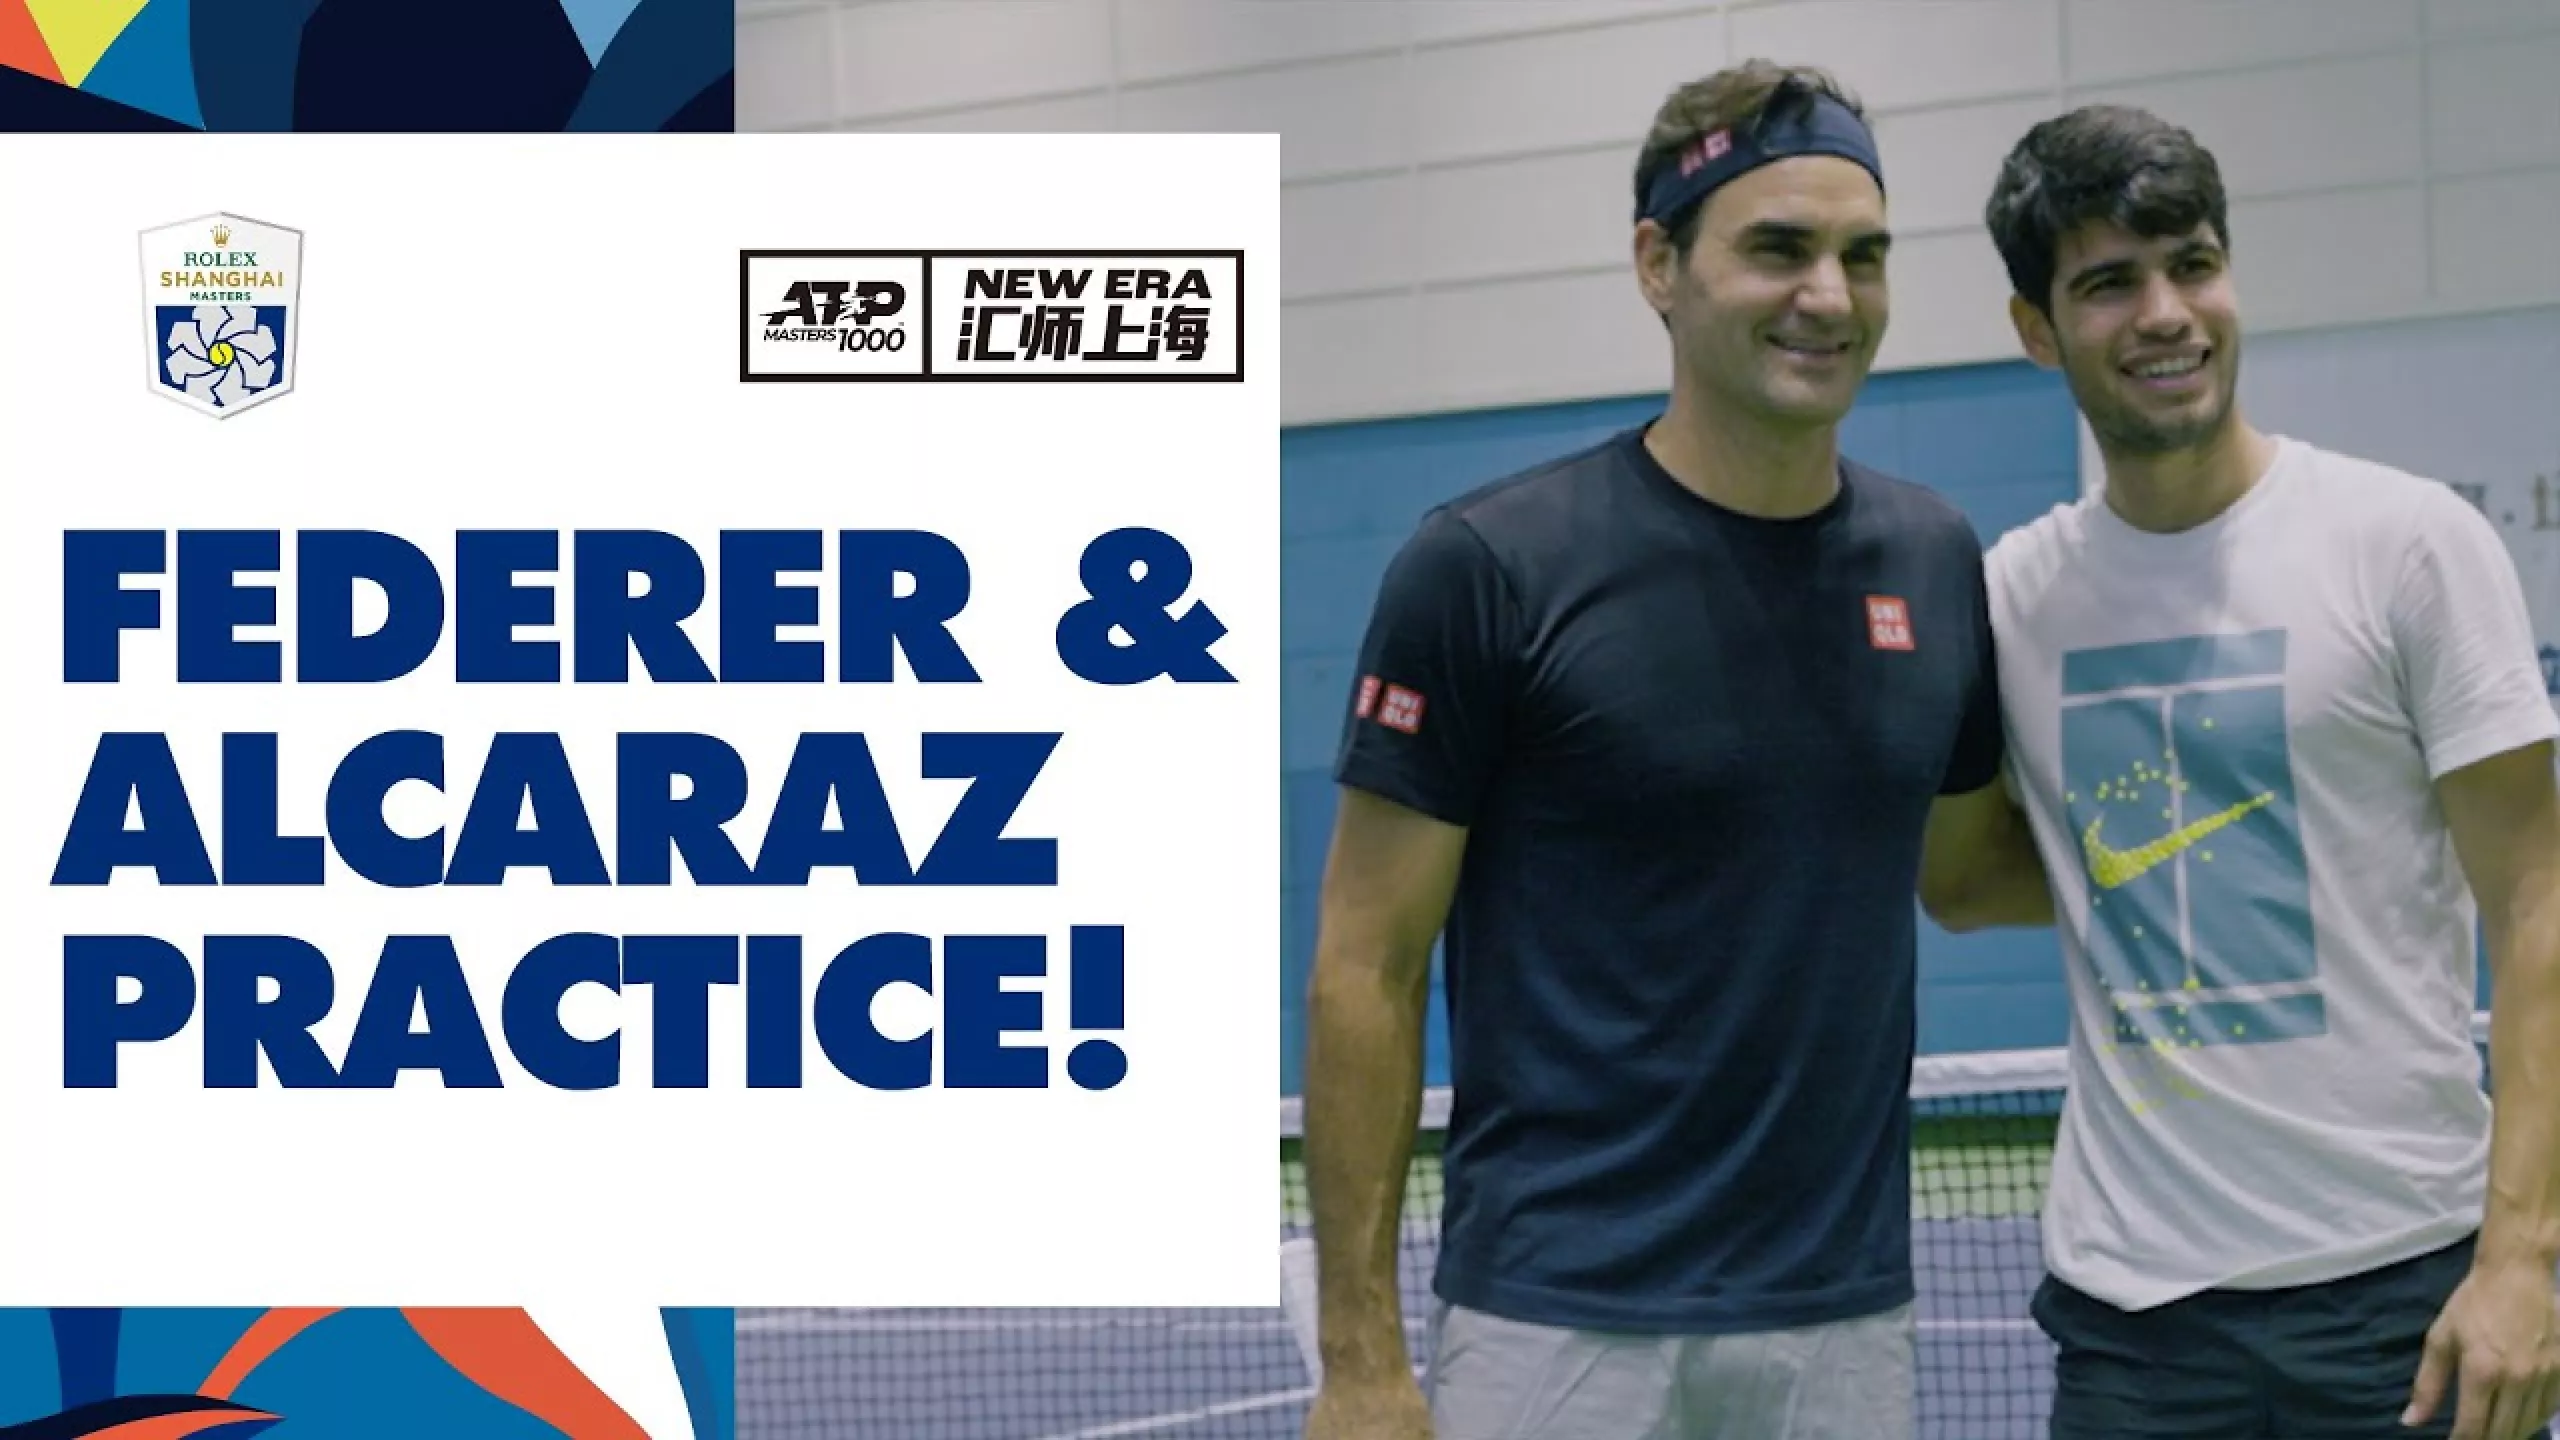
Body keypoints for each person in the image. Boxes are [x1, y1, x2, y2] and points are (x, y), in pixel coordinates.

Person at [1297, 60, 2022, 1440]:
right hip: (1555, 1324)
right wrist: (1362, 1360)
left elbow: (1973, 873)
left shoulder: (1932, 565)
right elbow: (1363, 969)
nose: (1831, 295)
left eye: (1865, 257)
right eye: (1779, 249)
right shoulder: (1491, 568)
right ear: (1658, 265)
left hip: (1841, 1321)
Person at [1923, 101, 2560, 1440]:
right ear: (2037, 331)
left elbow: (2539, 905)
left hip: (2408, 1300)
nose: (2167, 313)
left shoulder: (2409, 546)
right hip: (2133, 1328)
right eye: (2109, 283)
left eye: (2193, 263)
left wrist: (2522, 1260)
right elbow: (1969, 884)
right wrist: (2210, 859)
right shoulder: (2008, 602)